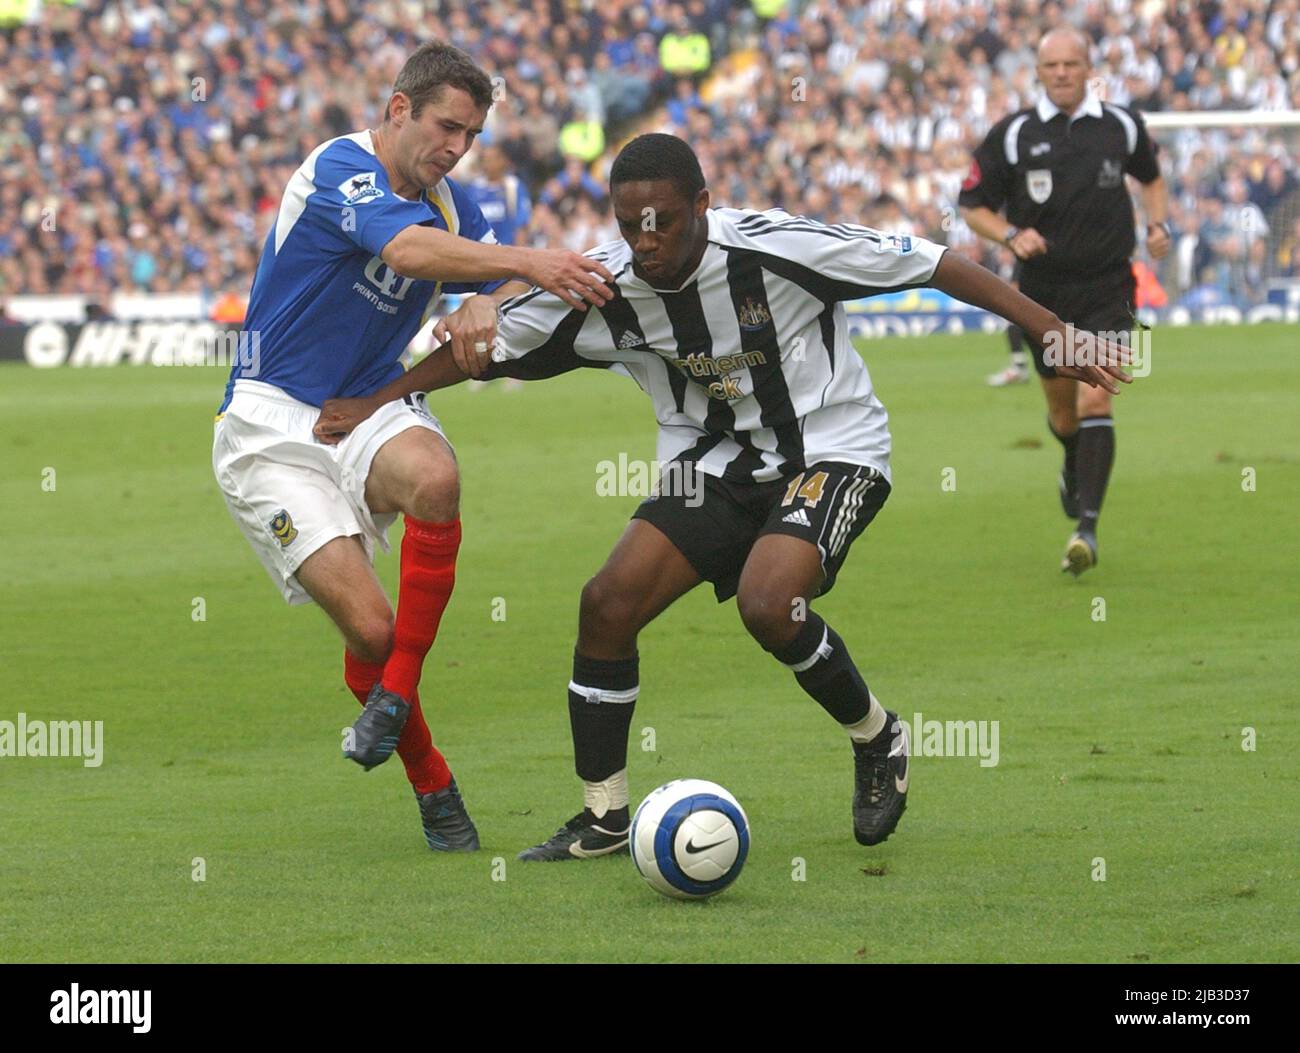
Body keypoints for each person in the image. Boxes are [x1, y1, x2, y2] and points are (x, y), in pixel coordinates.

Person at [312, 133, 1128, 859]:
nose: (647, 239)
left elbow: (931, 260)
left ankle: (877, 737)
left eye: (663, 218)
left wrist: (1051, 327)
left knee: (771, 602)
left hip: (831, 450)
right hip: (713, 463)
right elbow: (484, 349)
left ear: (703, 204)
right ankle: (602, 816)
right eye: (630, 222)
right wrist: (382, 399)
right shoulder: (608, 281)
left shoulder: (775, 247)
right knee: (606, 602)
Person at [211, 42, 613, 853]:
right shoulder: (338, 169)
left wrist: (490, 301)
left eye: (469, 136)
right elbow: (408, 253)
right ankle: (433, 781)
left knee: (437, 475)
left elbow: (498, 279)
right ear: (399, 109)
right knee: (370, 630)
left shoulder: (455, 206)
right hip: (269, 423)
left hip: (366, 405)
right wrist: (523, 263)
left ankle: (392, 697)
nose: (456, 148)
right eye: (445, 128)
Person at [959, 26, 1169, 575]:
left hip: (1110, 286)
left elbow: (1151, 177)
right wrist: (1008, 234)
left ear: (1087, 66)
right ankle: (1073, 460)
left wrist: (1158, 223)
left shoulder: (1121, 125)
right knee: (1063, 411)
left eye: (1071, 64)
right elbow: (971, 205)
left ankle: (1087, 531)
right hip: (1042, 296)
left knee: (1098, 398)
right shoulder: (1012, 135)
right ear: (1038, 71)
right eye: (1052, 66)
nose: (1061, 74)